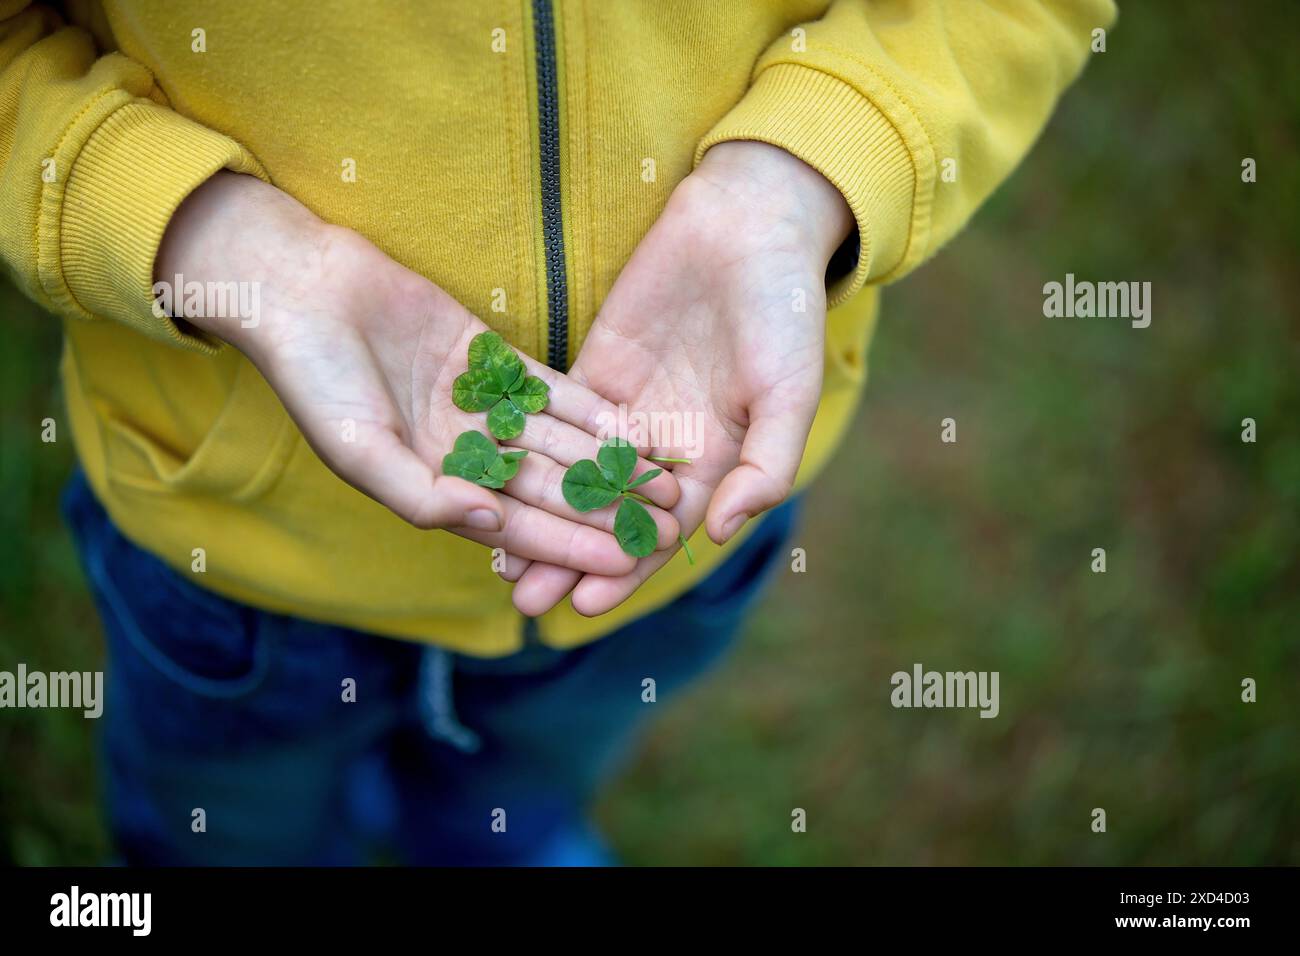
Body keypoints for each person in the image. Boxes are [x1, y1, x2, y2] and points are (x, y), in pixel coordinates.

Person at [1, 0, 1115, 864]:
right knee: (228, 830)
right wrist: (203, 233)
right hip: (234, 555)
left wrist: (808, 172)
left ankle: (502, 831)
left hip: (673, 526)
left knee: (537, 767)